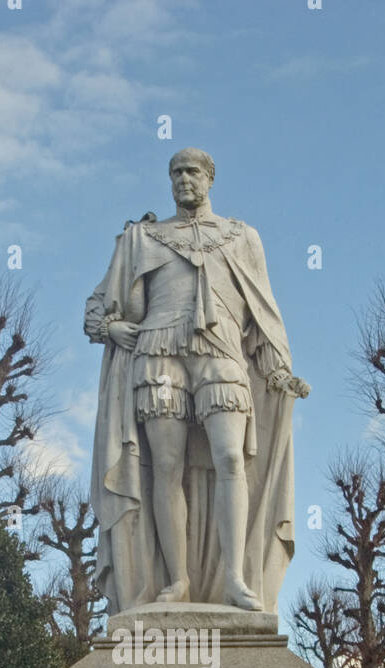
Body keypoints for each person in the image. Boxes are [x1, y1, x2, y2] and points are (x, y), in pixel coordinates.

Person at [85, 148, 309, 615]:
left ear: (210, 179)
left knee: (231, 458)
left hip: (221, 352)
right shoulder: (142, 237)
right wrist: (111, 329)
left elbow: (261, 316)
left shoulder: (241, 237)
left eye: (192, 172)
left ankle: (234, 579)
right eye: (175, 172)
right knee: (165, 466)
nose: (183, 179)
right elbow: (97, 309)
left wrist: (278, 370)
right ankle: (178, 580)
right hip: (157, 353)